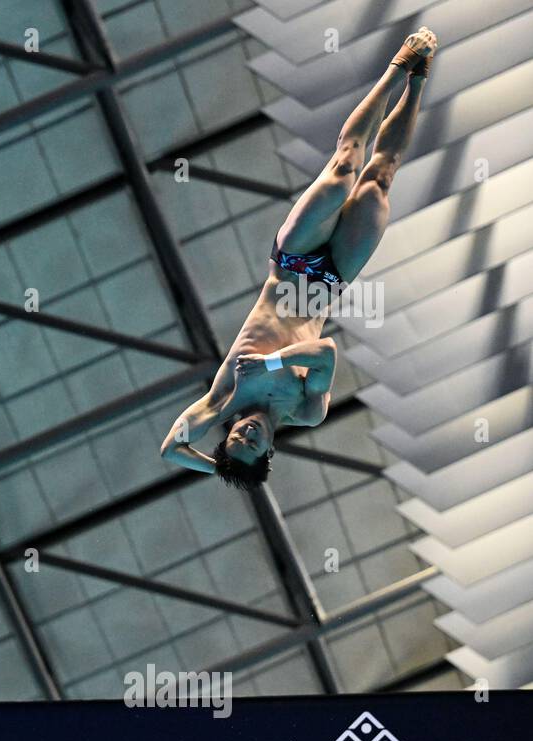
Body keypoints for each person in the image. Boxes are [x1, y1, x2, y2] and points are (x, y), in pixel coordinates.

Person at [159, 28, 437, 490]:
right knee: (379, 180)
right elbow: (325, 352)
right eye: (252, 445)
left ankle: (398, 66)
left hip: (292, 262)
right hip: (330, 279)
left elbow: (170, 450)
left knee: (344, 167)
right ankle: (419, 80)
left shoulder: (223, 399)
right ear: (268, 451)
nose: (246, 433)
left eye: (235, 439)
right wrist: (269, 365)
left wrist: (224, 467)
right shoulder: (306, 411)